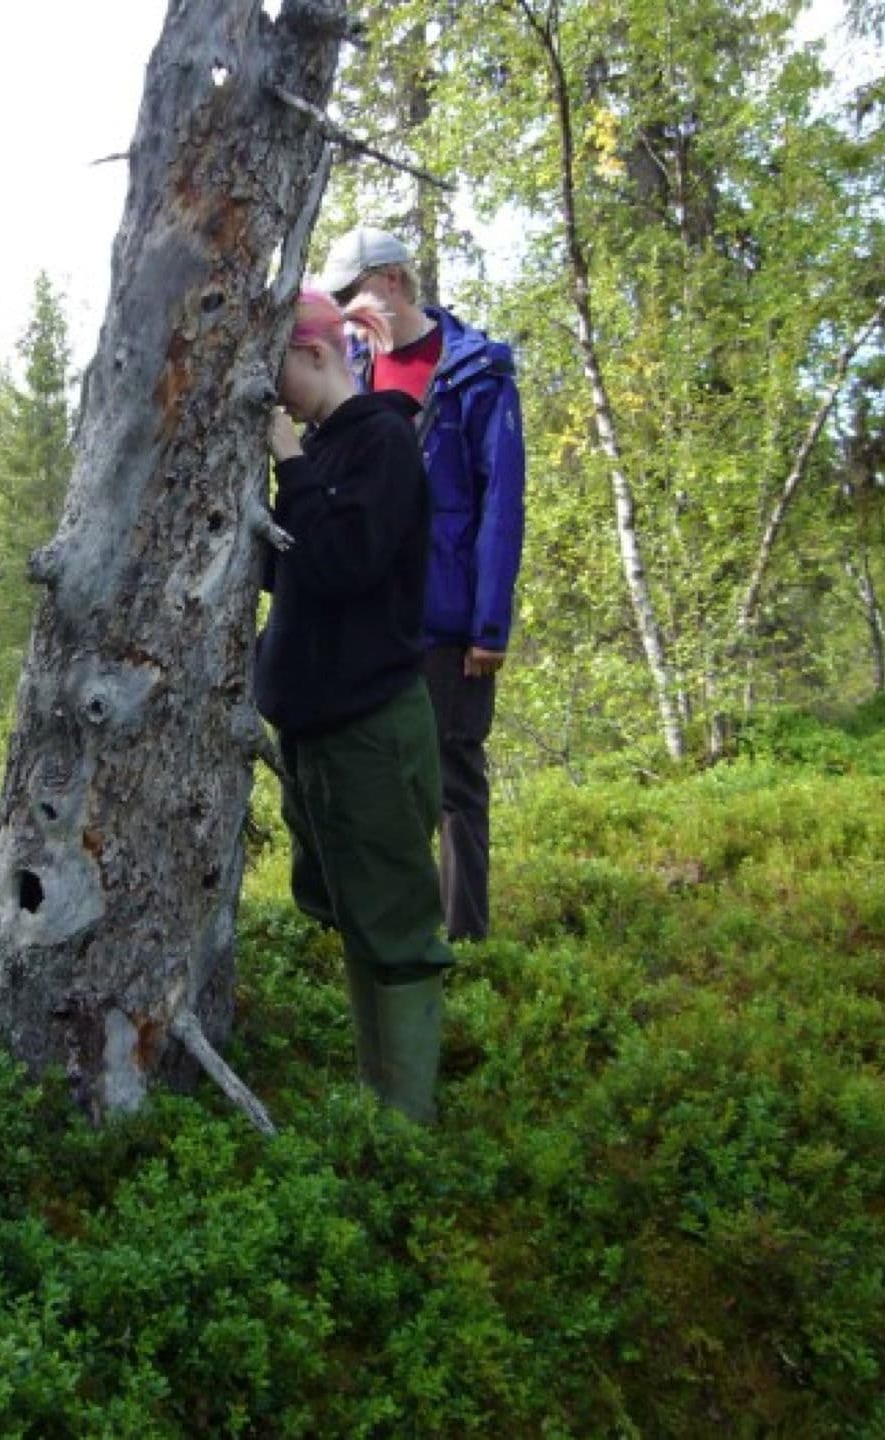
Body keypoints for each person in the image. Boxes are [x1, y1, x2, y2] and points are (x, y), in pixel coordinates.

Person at [254, 289, 455, 1123]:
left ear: (315, 354)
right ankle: (378, 1104)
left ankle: (403, 1129)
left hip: (371, 728)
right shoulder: (325, 448)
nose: (273, 399)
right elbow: (294, 569)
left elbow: (344, 562)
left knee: (395, 927)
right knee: (354, 913)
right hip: (320, 731)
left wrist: (290, 465)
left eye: (278, 376)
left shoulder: (381, 441)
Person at [318, 227, 526, 943]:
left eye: (351, 295)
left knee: (454, 775)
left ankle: (467, 942)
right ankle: (400, 938)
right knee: (382, 774)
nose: (345, 313)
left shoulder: (476, 371)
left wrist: (488, 626)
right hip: (375, 613)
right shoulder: (352, 370)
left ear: (392, 282)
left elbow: (501, 503)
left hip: (449, 618)